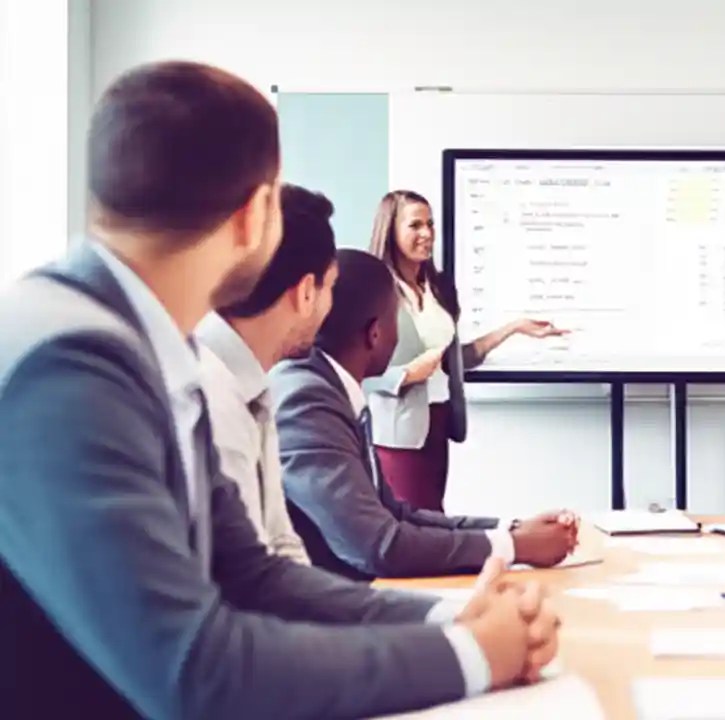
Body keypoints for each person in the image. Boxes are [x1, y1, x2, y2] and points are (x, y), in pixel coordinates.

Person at [0, 61, 557, 718]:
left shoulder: (153, 345)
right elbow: (195, 670)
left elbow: (253, 576)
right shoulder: (69, 366)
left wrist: (456, 615)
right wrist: (475, 655)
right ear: (257, 213)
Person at [271, 248, 579, 580]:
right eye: (397, 318)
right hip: (325, 616)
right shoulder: (305, 398)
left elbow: (397, 516)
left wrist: (512, 529)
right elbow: (380, 546)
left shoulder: (330, 386)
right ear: (374, 333)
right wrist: (515, 547)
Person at [365, 190, 567, 511]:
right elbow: (352, 371)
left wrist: (514, 327)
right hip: (398, 432)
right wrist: (404, 376)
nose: (427, 234)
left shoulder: (439, 288)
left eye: (430, 224)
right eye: (415, 225)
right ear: (390, 230)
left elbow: (457, 360)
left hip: (438, 421)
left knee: (434, 516)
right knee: (412, 523)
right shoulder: (373, 289)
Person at [195, 184, 340, 563]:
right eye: (331, 287)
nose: (331, 306)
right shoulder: (208, 396)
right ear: (307, 291)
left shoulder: (251, 385)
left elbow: (281, 549)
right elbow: (249, 584)